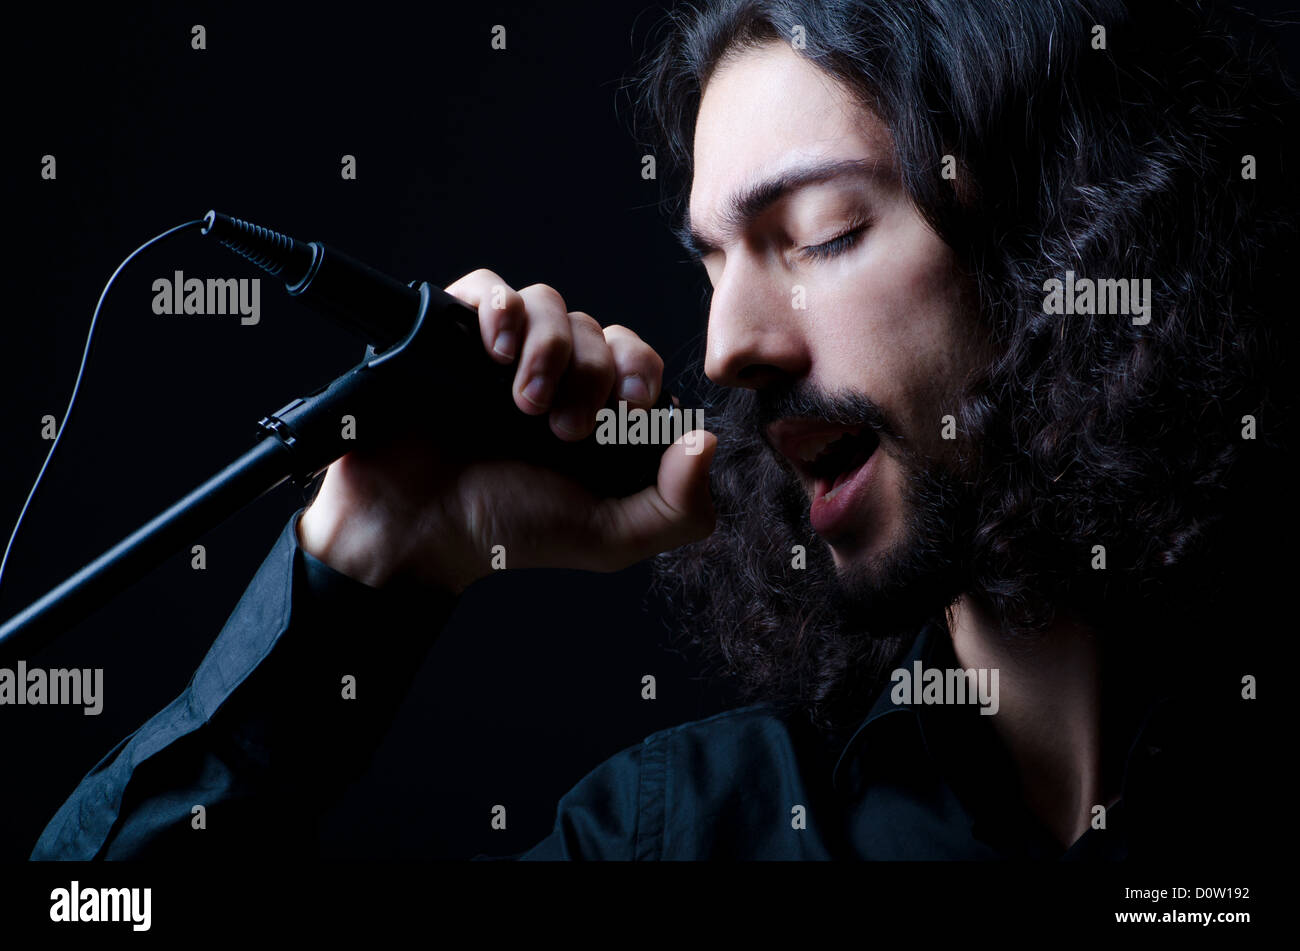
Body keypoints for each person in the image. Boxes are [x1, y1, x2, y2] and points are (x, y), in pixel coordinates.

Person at [32, 0, 1293, 860]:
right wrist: (369, 565)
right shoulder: (682, 837)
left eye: (819, 234)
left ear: (1056, 236)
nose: (728, 347)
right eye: (710, 263)